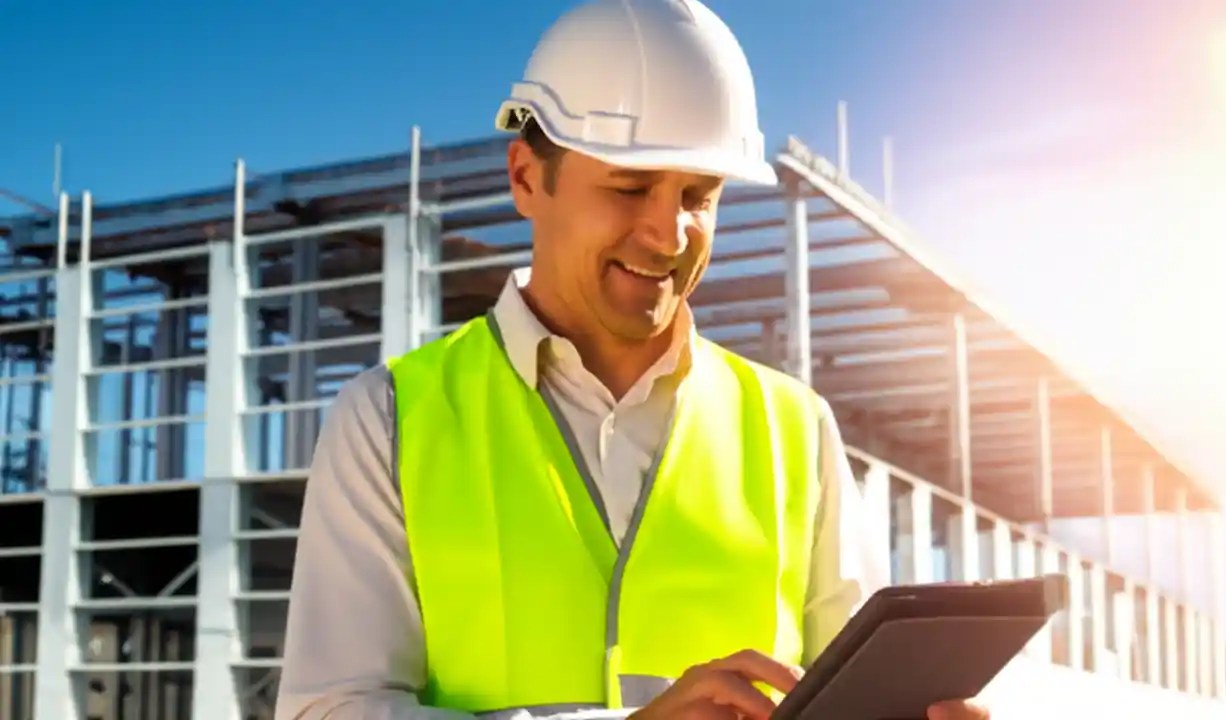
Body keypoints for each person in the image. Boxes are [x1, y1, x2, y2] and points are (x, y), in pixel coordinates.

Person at [276, 1, 991, 719]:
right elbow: (329, 711)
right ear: (526, 177)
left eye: (698, 197)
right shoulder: (392, 418)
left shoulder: (795, 429)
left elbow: (856, 703)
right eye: (630, 188)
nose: (668, 234)